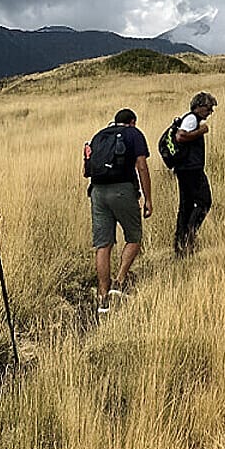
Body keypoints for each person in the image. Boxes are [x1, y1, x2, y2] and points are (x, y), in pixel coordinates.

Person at [86, 108, 153, 317]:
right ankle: (120, 281)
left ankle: (102, 297)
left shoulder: (99, 136)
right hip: (122, 190)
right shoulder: (134, 134)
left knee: (103, 244)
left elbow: (86, 170)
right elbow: (142, 166)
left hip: (97, 191)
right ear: (132, 121)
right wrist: (148, 198)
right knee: (134, 237)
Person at [173, 91, 217, 256]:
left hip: (185, 169)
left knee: (186, 206)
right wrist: (201, 131)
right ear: (198, 107)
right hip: (191, 170)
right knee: (204, 202)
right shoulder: (191, 119)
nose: (210, 112)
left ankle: (181, 244)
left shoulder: (190, 118)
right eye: (208, 108)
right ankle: (190, 237)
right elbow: (180, 136)